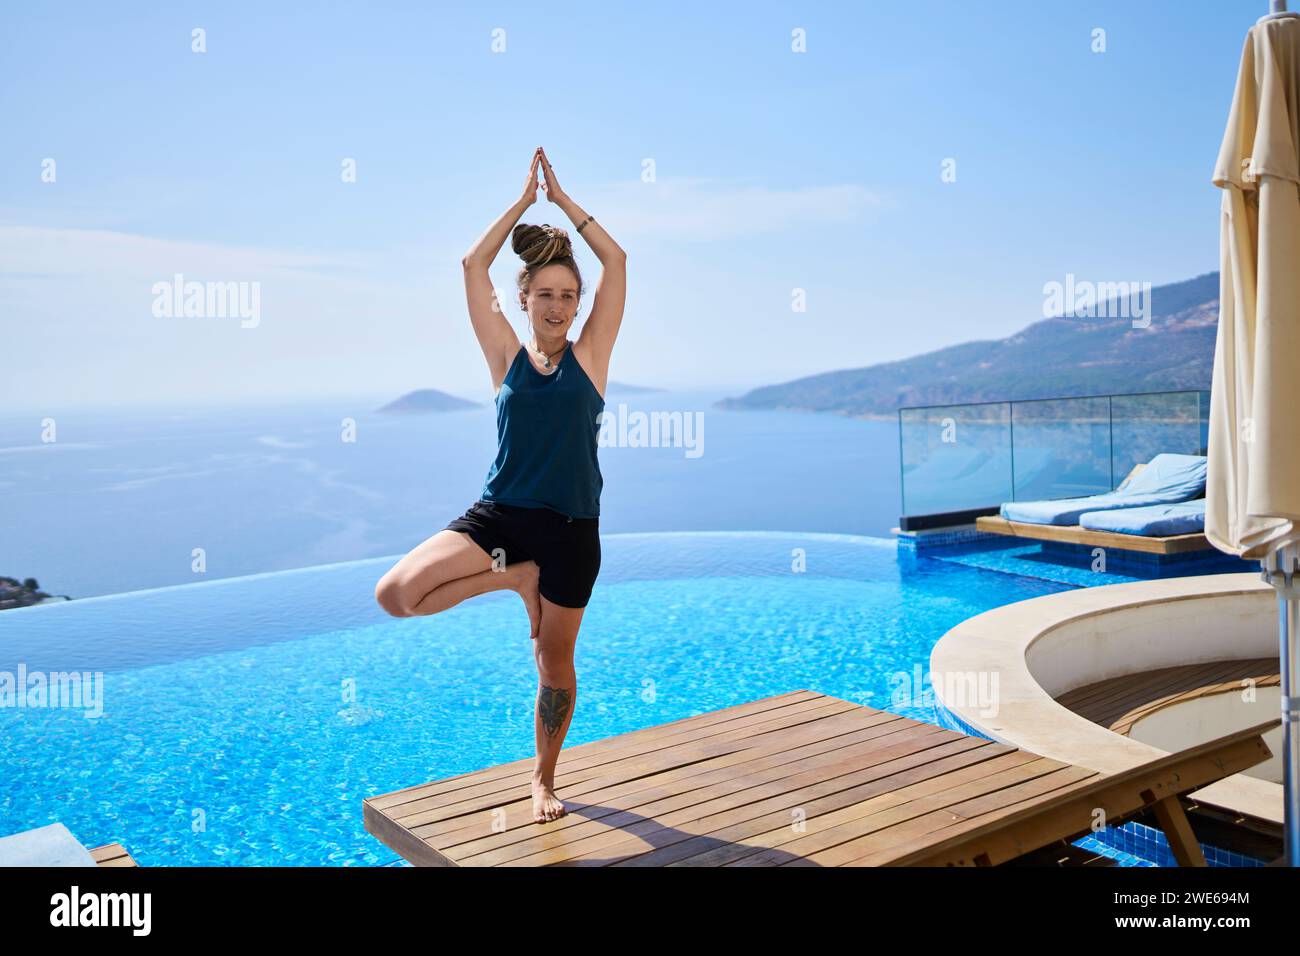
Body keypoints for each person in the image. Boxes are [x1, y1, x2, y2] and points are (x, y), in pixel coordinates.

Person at [374, 146, 627, 824]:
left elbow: (619, 262)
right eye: (543, 293)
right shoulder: (505, 355)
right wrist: (523, 203)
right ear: (523, 300)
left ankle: (543, 780)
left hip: (572, 530)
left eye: (568, 295)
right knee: (396, 594)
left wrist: (566, 201)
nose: (557, 305)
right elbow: (469, 265)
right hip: (501, 518)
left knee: (553, 669)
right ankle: (513, 579)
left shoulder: (592, 356)